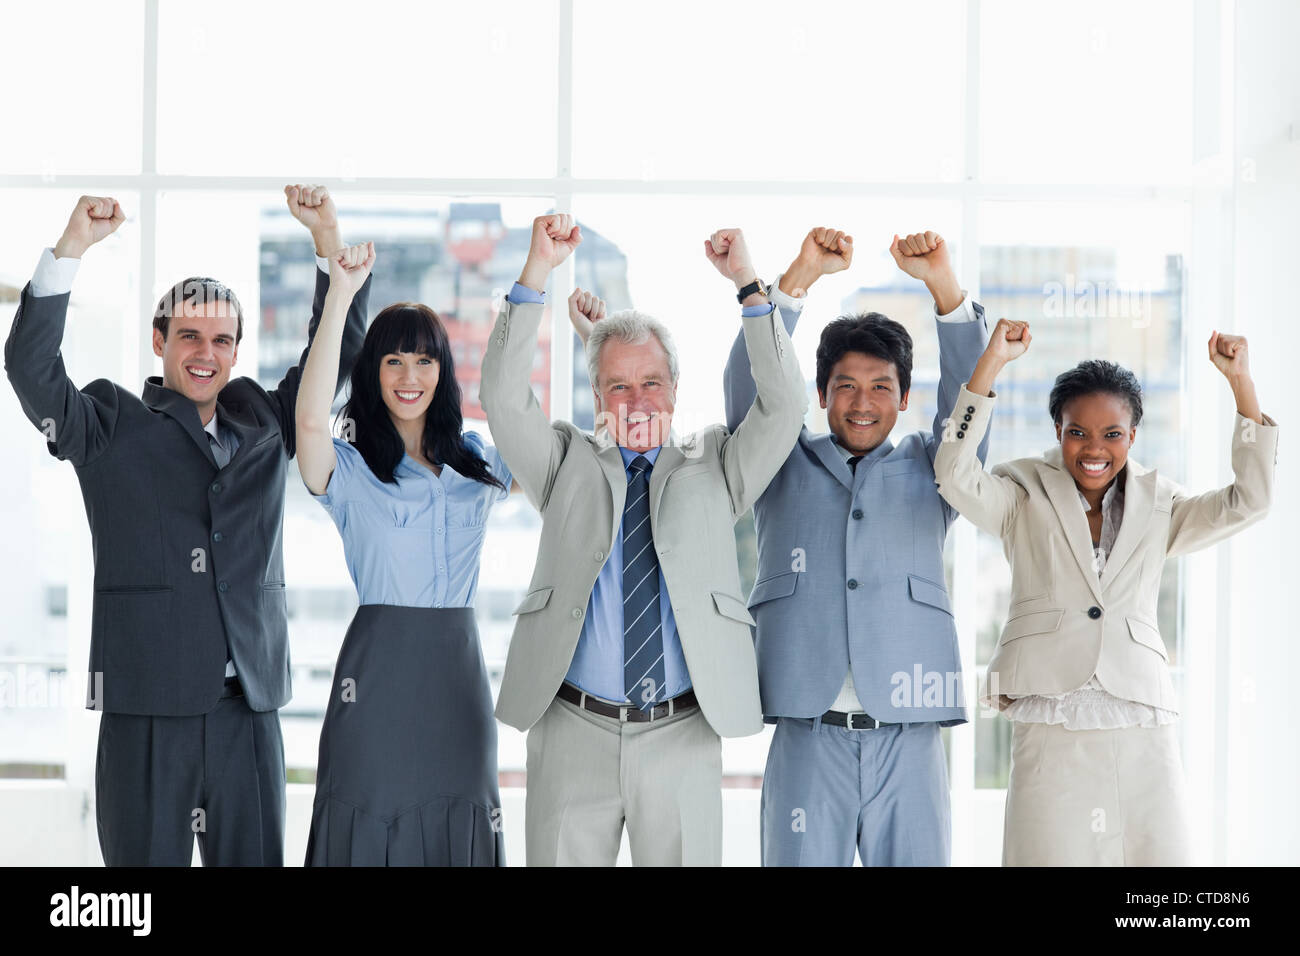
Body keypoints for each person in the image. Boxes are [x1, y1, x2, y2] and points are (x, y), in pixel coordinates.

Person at [3, 186, 370, 865]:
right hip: (144, 711)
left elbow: (335, 371)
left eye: (222, 340)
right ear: (160, 340)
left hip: (247, 714)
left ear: (236, 352)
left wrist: (327, 240)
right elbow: (29, 370)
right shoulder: (108, 422)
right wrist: (71, 248)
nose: (207, 353)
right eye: (190, 336)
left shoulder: (264, 419)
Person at [481, 215, 807, 866]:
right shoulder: (564, 462)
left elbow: (784, 406)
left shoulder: (716, 463)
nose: (635, 400)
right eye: (618, 386)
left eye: (650, 382)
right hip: (571, 729)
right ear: (596, 393)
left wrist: (747, 283)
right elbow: (502, 396)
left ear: (675, 389)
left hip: (683, 735)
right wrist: (536, 271)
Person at [933, 320, 1278, 865]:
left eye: (1111, 434)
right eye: (1078, 432)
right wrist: (991, 365)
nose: (1094, 448)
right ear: (1058, 430)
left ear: (1133, 435)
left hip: (1140, 719)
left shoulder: (1162, 502)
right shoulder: (1021, 489)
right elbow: (953, 476)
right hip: (1050, 716)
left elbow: (1250, 501)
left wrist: (1242, 385)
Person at [723, 228, 990, 866]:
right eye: (845, 386)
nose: (862, 402)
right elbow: (748, 397)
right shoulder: (780, 465)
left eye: (880, 387)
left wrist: (944, 289)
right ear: (819, 396)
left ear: (903, 398)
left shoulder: (939, 469)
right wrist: (798, 279)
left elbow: (969, 406)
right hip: (807, 736)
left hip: (911, 738)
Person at [296, 240, 512, 867]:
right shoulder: (351, 468)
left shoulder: (478, 462)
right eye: (392, 361)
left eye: (423, 360)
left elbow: (556, 463)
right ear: (373, 374)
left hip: (458, 682)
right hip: (376, 685)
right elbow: (309, 422)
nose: (409, 376)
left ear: (443, 369)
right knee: (368, 822)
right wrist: (340, 293)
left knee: (461, 818)